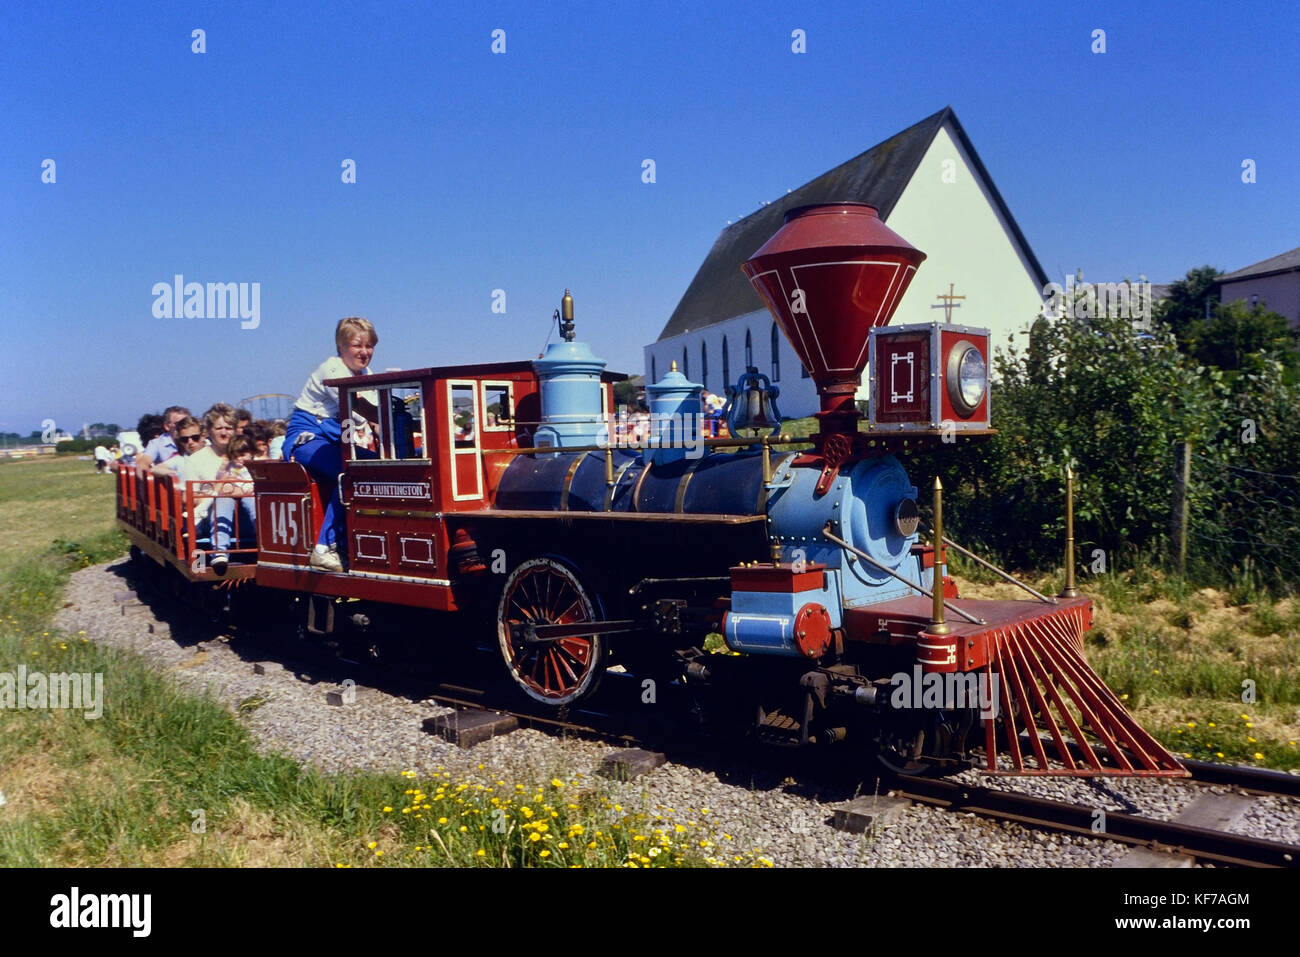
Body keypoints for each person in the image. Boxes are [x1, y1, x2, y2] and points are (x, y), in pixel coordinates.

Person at [284, 317, 378, 572]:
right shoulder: (332, 370)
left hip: (334, 438)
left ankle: (358, 541)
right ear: (340, 347)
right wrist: (382, 419)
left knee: (377, 466)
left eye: (369, 346)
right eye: (357, 345)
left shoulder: (367, 374)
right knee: (349, 473)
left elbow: (375, 414)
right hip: (307, 437)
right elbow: (360, 408)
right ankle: (324, 548)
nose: (364, 352)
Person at [135, 406, 191, 471]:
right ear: (167, 426)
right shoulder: (156, 444)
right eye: (178, 424)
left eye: (186, 423)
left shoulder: (195, 441)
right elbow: (142, 465)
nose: (183, 427)